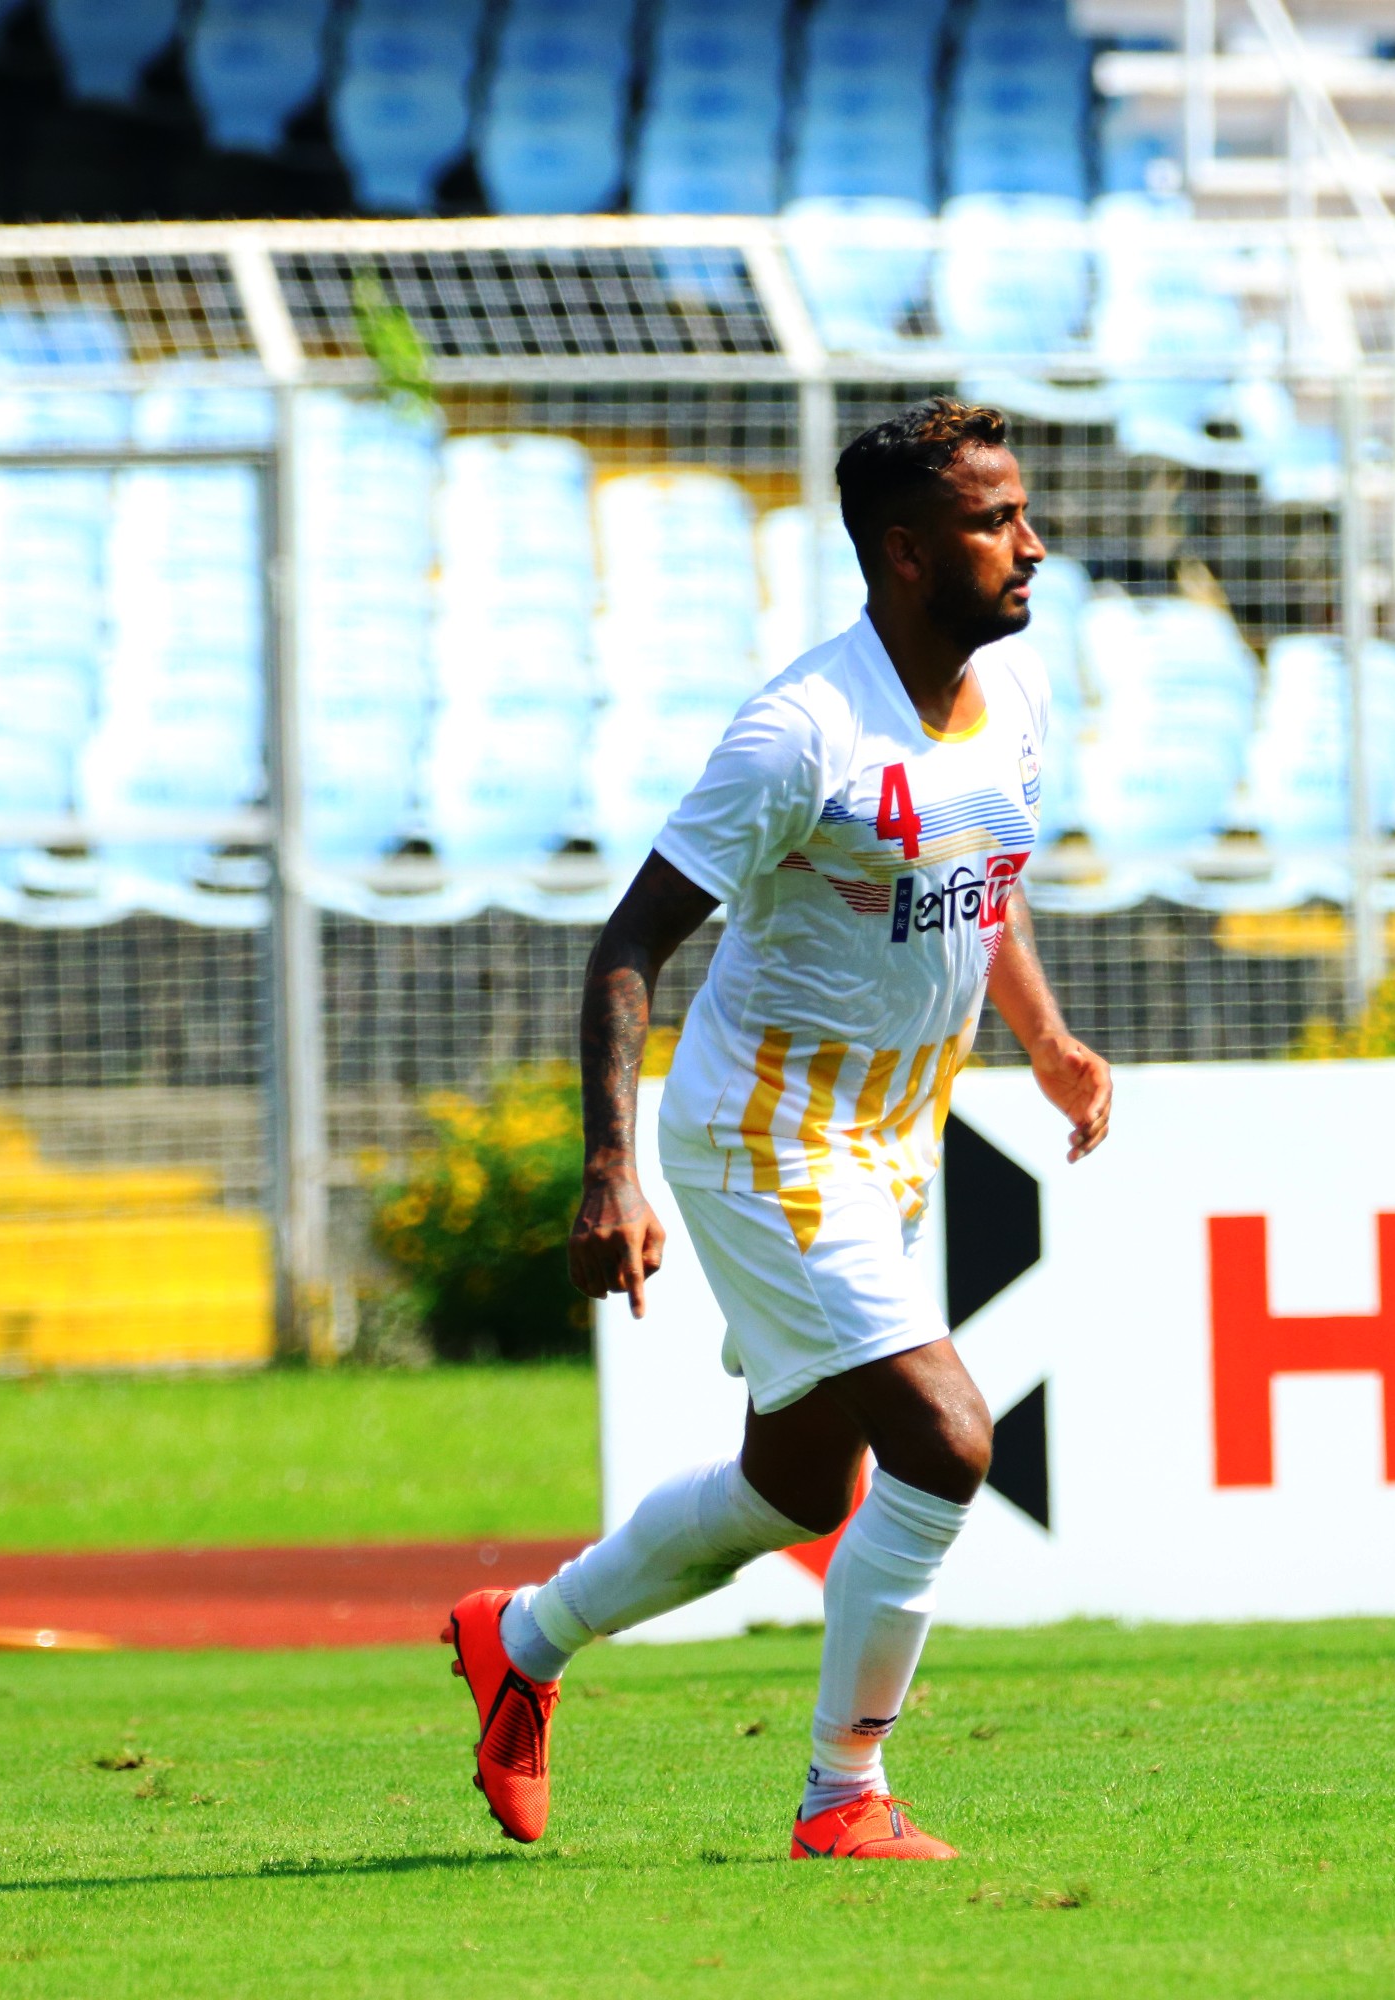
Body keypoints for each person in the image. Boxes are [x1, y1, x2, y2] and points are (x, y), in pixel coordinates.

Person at [441, 398, 1112, 1862]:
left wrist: (1045, 1040)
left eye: (1022, 512)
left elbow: (977, 879)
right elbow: (629, 942)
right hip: (766, 1135)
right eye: (997, 522)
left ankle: (523, 1639)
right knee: (947, 1442)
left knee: (799, 1485)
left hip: (892, 1139)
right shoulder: (801, 729)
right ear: (904, 553)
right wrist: (610, 1166)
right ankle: (843, 1796)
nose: (1032, 544)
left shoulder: (1021, 698)